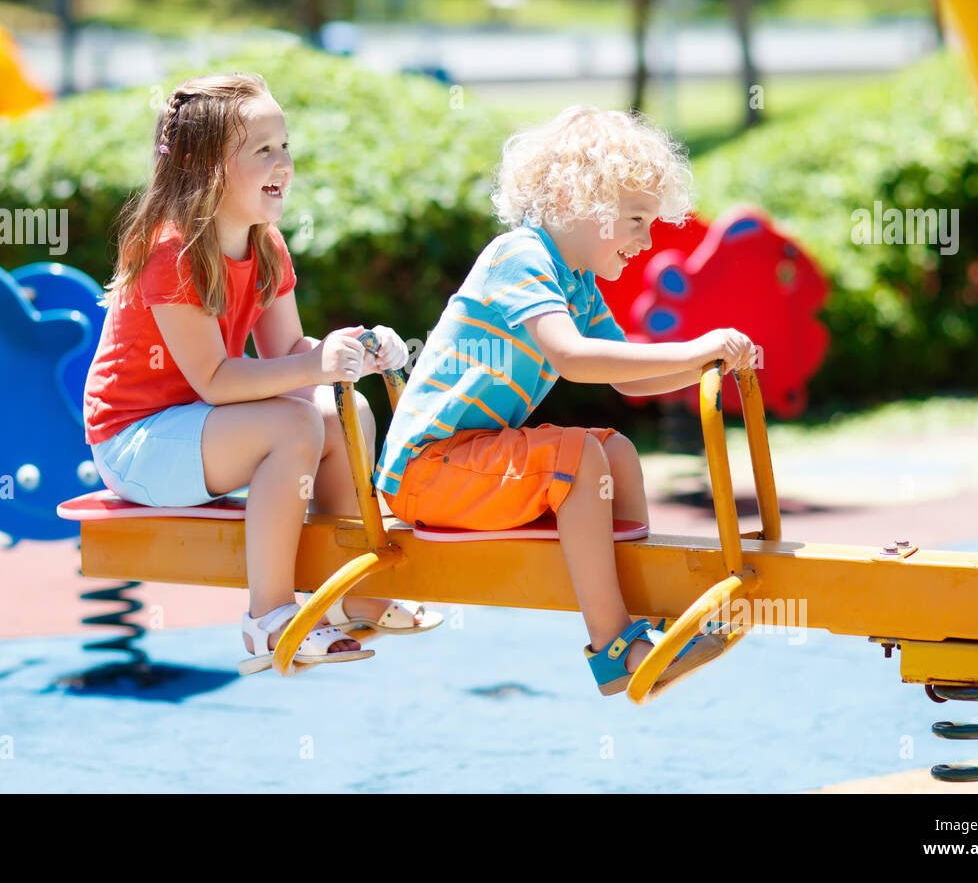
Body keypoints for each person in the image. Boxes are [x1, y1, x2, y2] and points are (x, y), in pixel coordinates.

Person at [374, 104, 753, 697]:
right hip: (427, 469)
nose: (647, 241)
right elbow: (574, 358)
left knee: (618, 455)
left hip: (469, 457)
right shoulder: (519, 257)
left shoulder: (576, 282)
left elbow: (628, 380)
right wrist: (694, 346)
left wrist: (708, 360)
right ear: (579, 198)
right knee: (579, 460)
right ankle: (615, 652)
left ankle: (646, 620)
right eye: (635, 219)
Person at [83, 73, 441, 677]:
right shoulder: (172, 251)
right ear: (204, 168)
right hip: (135, 441)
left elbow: (289, 352)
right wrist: (313, 365)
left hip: (203, 427)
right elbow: (216, 381)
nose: (284, 164)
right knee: (293, 426)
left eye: (286, 146)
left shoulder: (264, 244)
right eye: (263, 151)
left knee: (344, 412)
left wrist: (348, 349)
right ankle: (269, 618)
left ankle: (353, 592)